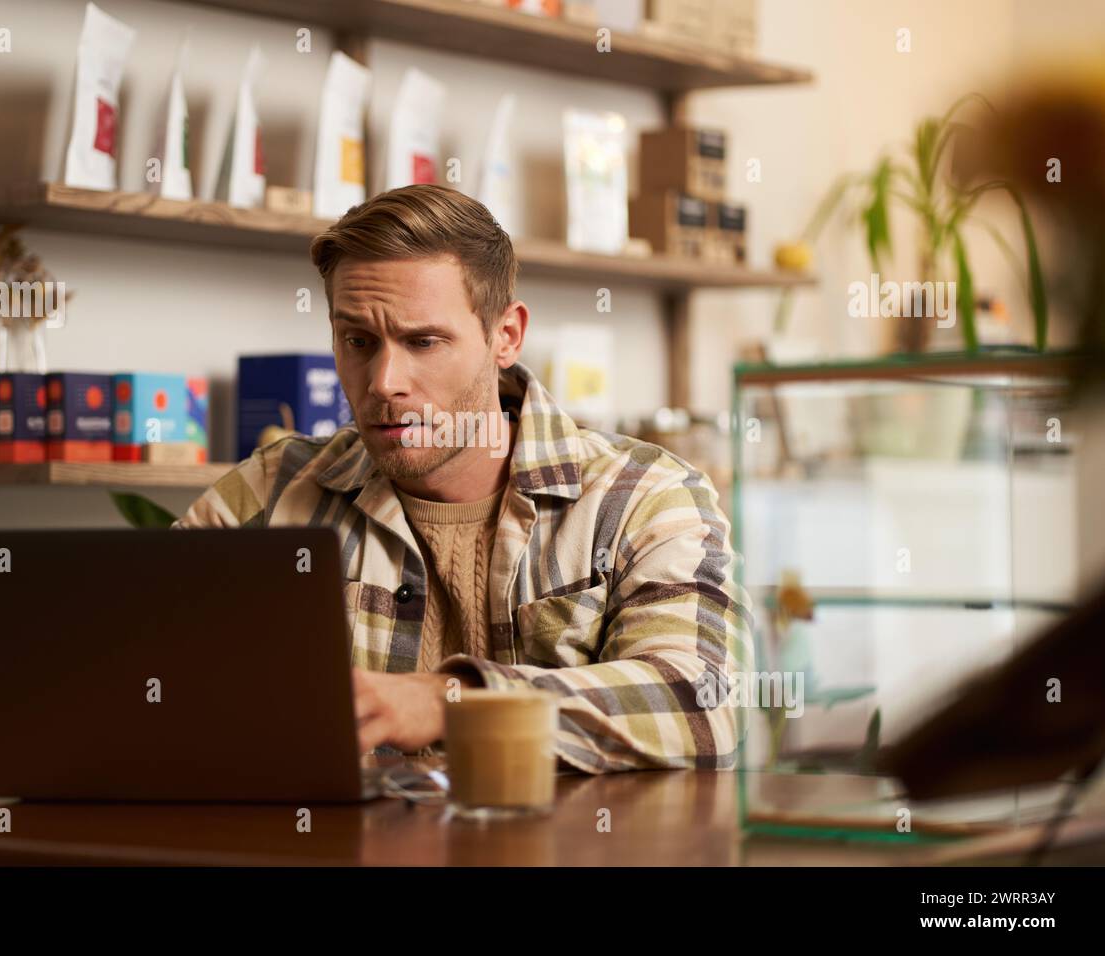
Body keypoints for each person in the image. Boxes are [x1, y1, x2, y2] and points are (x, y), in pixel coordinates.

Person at [175, 183, 753, 774]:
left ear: (505, 336)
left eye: (423, 341)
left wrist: (450, 701)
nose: (383, 382)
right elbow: (133, 673)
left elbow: (706, 703)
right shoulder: (271, 493)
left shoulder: (645, 498)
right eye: (357, 341)